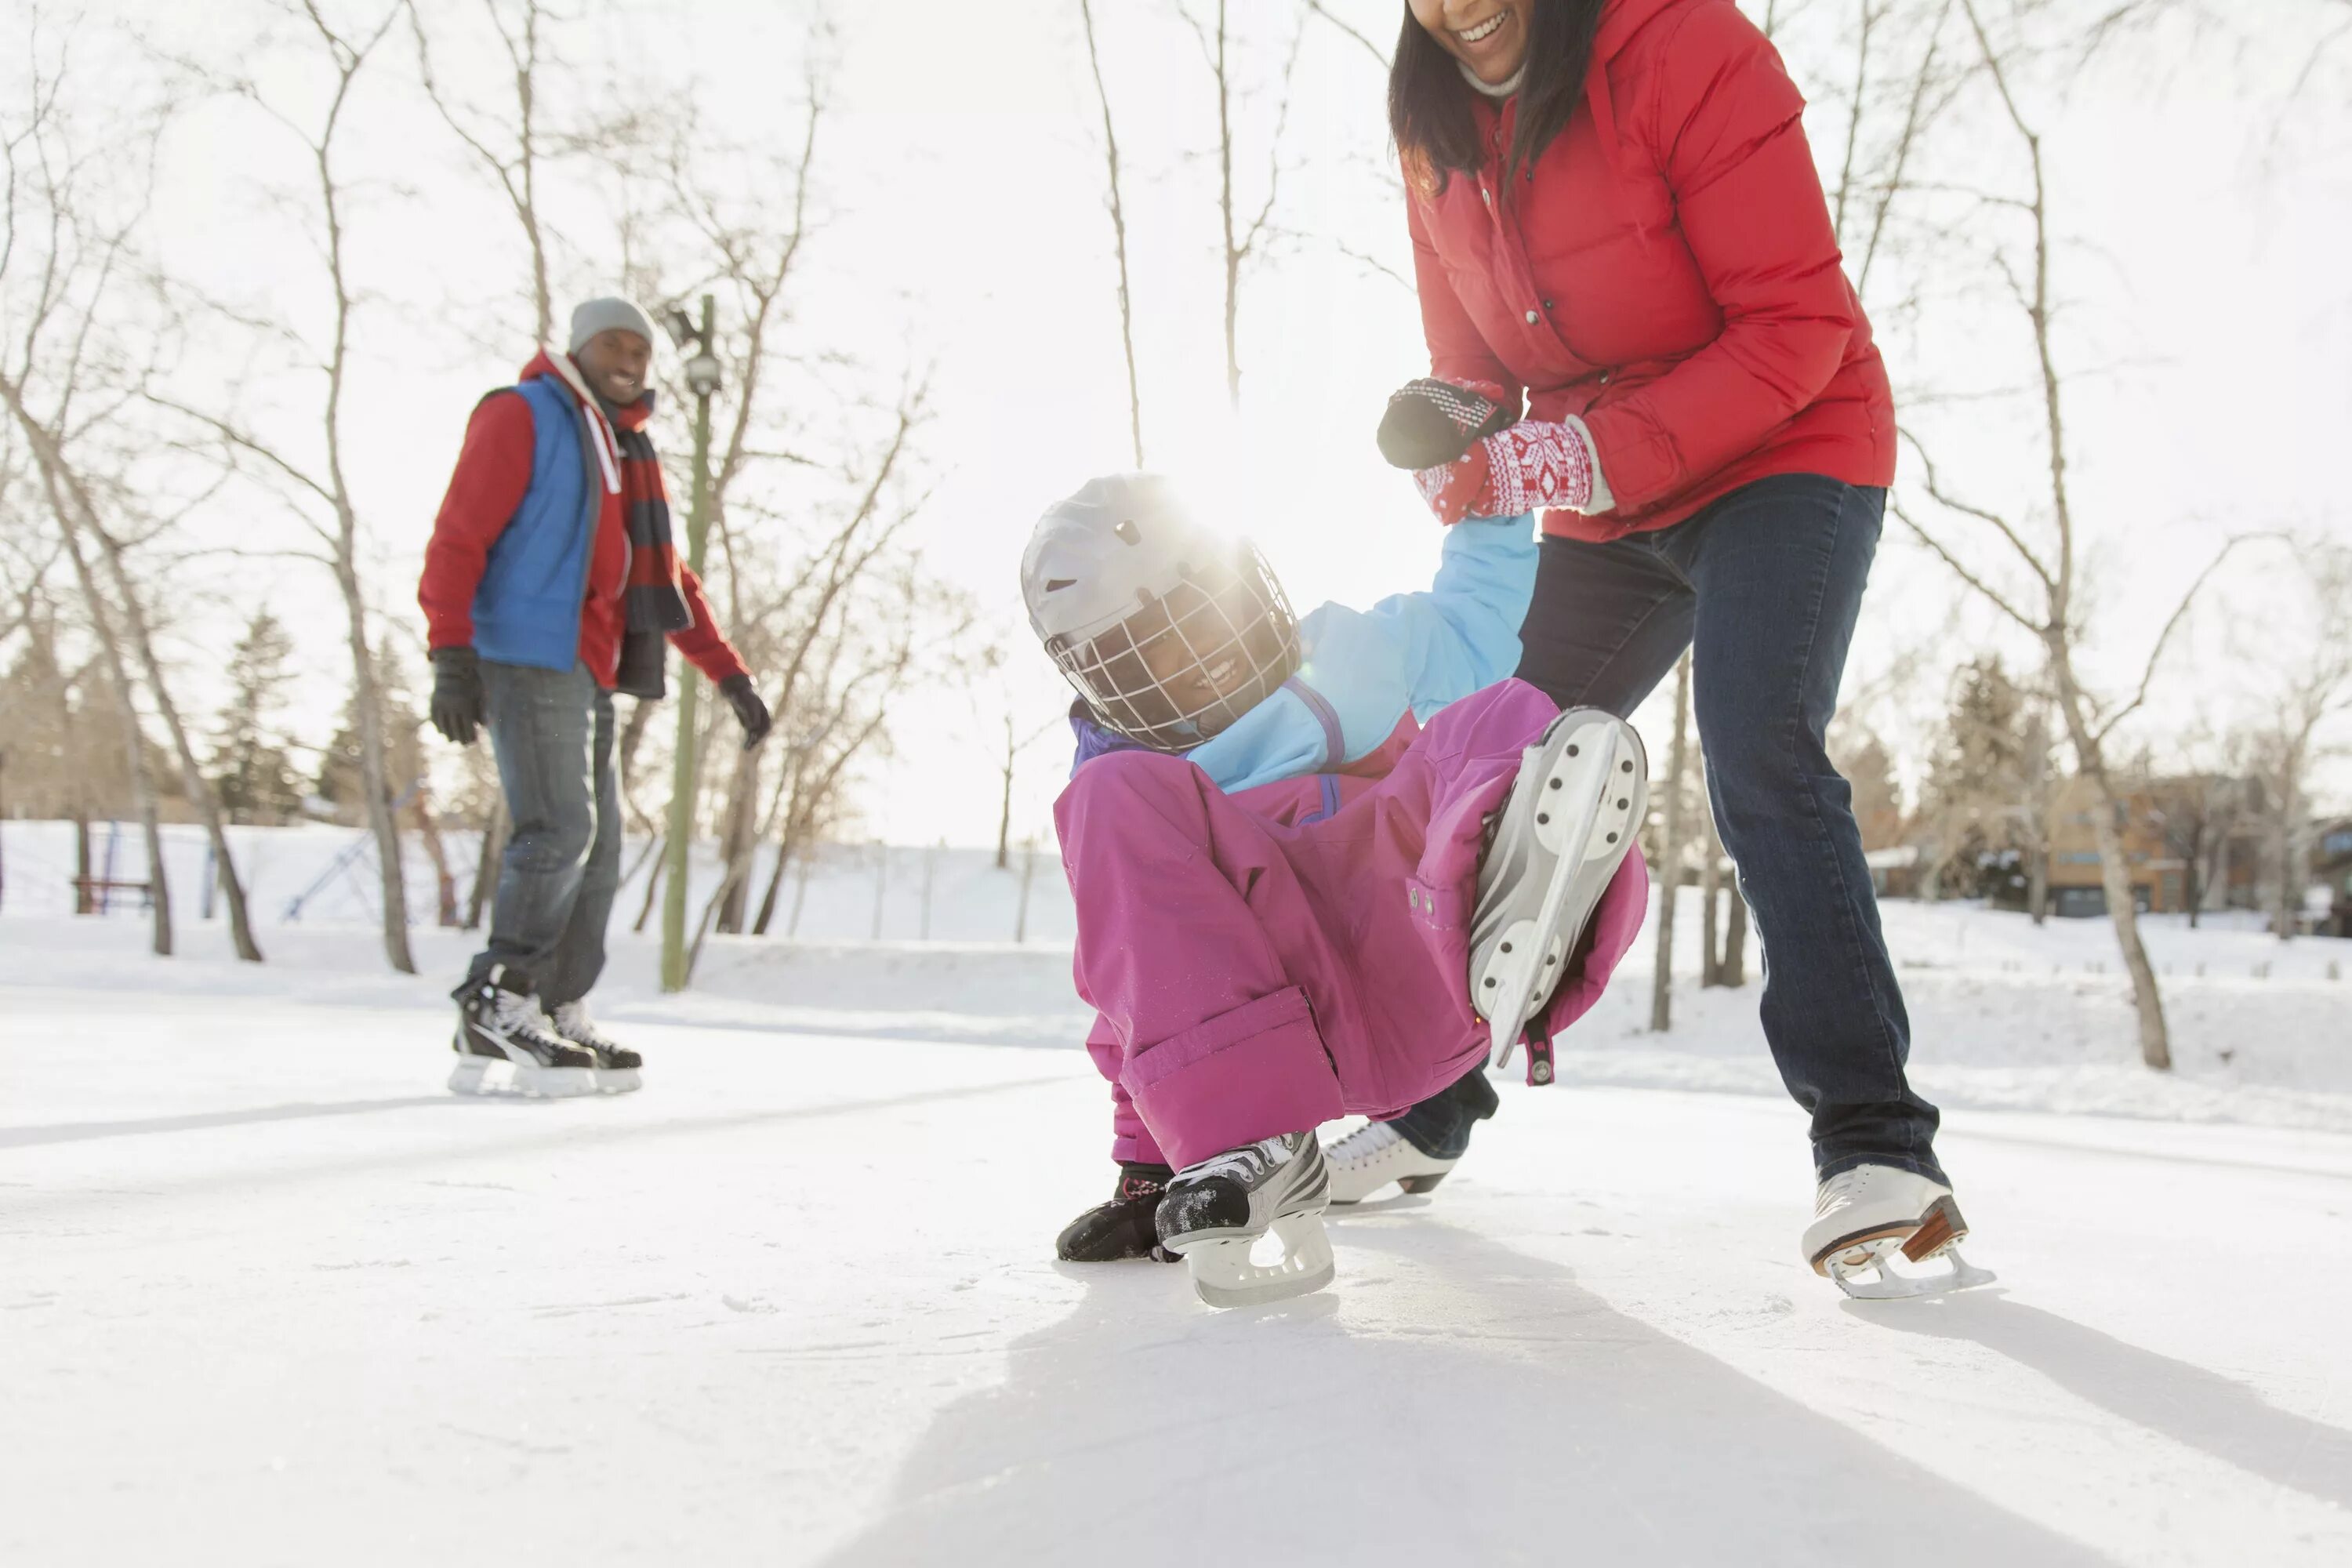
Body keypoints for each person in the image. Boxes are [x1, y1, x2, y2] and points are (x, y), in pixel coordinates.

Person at [1384, 0, 1986, 1298]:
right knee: (1491, 763)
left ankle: (1879, 1152)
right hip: (1606, 489)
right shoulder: (1428, 121)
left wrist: (1576, 450)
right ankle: (1421, 1108)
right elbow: (1476, 359)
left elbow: (1794, 322)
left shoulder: (1687, 49)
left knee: (1756, 743)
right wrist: (1463, 438)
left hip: (1787, 445)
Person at [1029, 474, 1650, 1307]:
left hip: (1424, 946)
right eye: (1151, 651)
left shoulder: (1353, 649)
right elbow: (1139, 990)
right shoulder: (1125, 786)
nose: (1200, 658)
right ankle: (1249, 1145)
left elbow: (1475, 616)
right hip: (1284, 1029)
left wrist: (1487, 491)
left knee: (1503, 713)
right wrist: (1149, 1173)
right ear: (1103, 677)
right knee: (1108, 803)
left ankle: (1522, 904)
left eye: (1200, 614)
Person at [419, 296, 772, 1098]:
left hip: (589, 668)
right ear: (578, 349)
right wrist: (450, 652)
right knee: (560, 828)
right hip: (523, 651)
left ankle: (550, 1001)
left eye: (642, 350)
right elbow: (458, 533)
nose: (631, 359)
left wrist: (730, 674)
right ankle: (497, 994)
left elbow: (667, 577)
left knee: (603, 845)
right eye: (614, 343)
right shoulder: (523, 415)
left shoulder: (627, 447)